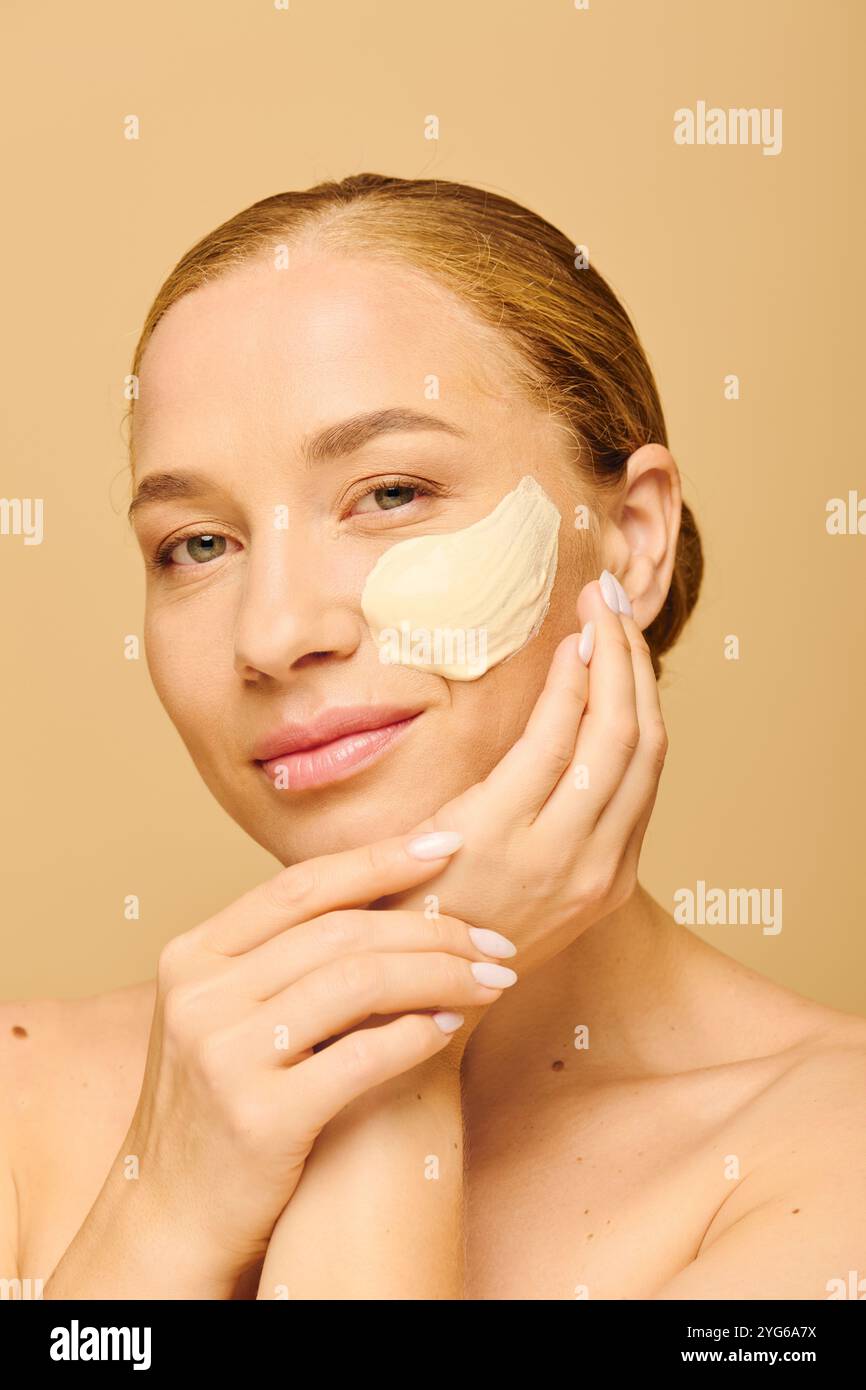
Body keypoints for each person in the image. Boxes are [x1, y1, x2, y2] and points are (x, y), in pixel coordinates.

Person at [4, 175, 864, 1301]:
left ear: (628, 540)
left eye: (391, 492)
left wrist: (393, 1043)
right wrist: (157, 1213)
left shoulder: (820, 1165)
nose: (273, 633)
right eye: (198, 544)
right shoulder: (25, 1105)